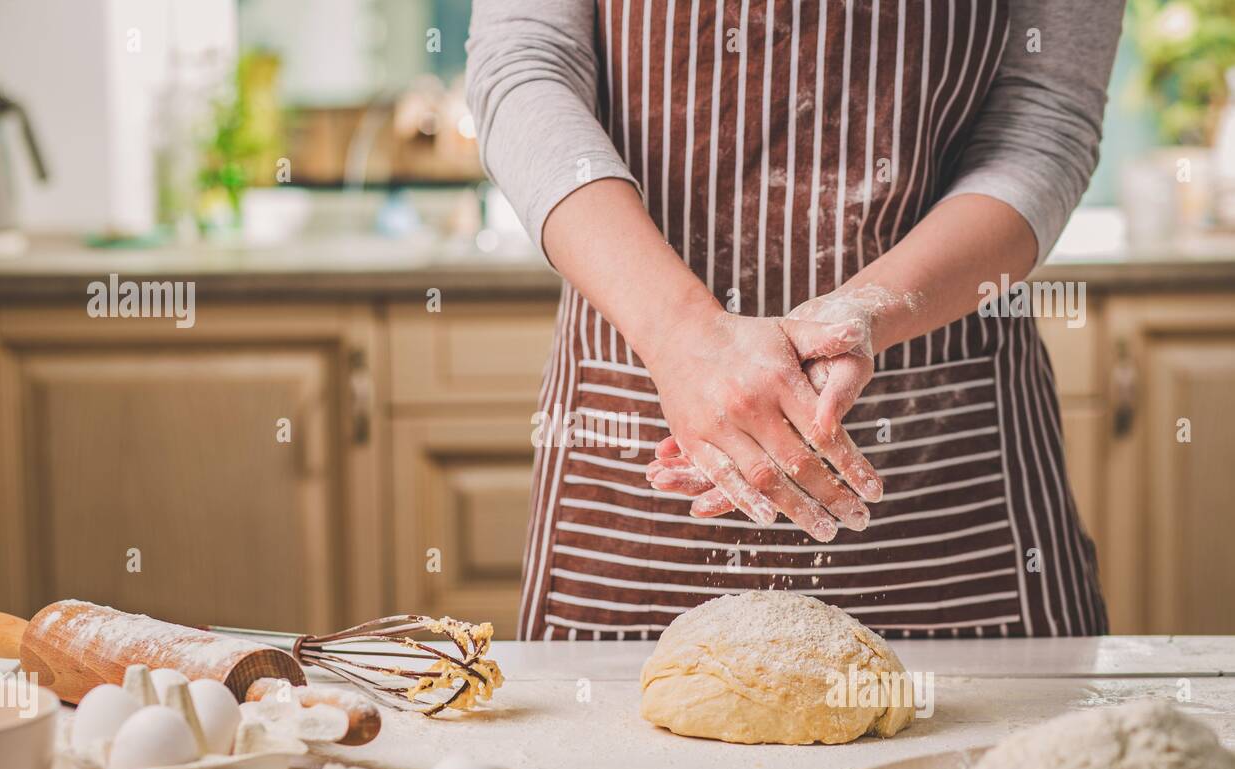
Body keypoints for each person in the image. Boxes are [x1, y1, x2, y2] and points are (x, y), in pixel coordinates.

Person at [466, 0, 1124, 640]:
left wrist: (869, 312)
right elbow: (523, 66)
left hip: (950, 476)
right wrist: (681, 335)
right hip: (634, 466)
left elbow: (1043, 119)